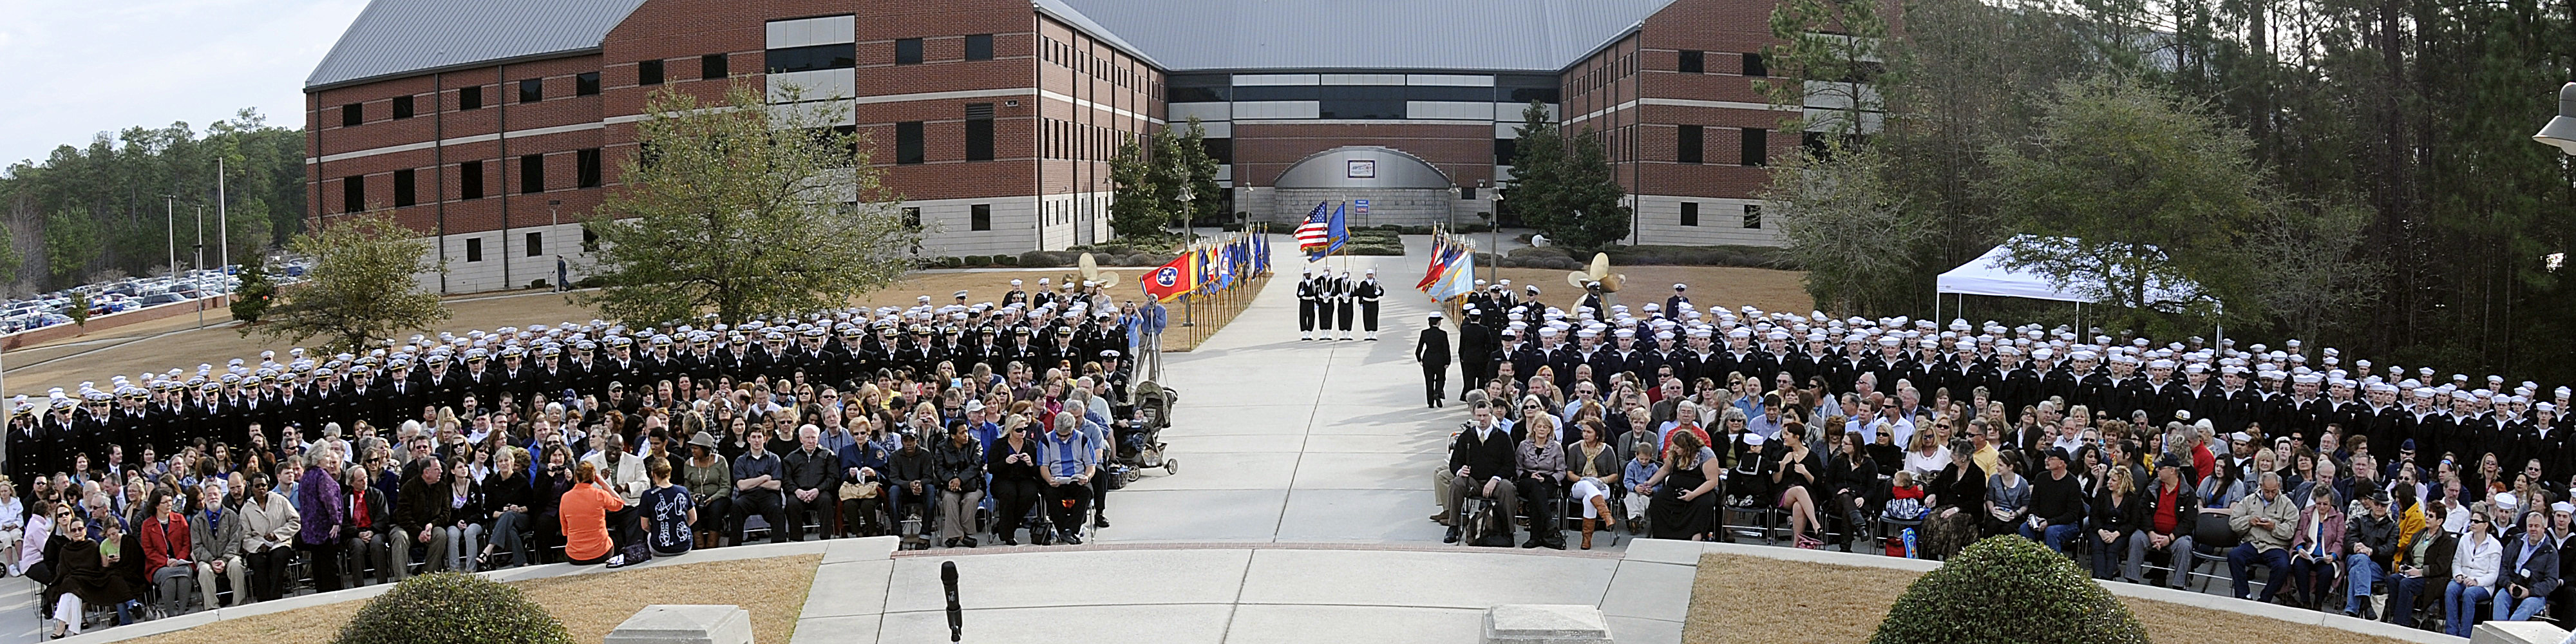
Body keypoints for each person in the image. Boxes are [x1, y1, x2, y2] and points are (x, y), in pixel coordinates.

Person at [44, 511, 132, 638]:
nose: (77, 532)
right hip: (75, 583)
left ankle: (62, 627)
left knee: (71, 586)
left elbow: (98, 567)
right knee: (71, 588)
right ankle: (72, 630)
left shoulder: (93, 546)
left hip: (92, 581)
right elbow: (64, 571)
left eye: (80, 529)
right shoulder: (66, 550)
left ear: (85, 530)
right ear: (70, 533)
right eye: (74, 530)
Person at [1445, 401, 1521, 544]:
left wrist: (1495, 479)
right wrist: (1460, 471)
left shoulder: (1503, 437)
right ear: (1473, 415)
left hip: (1495, 482)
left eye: (1485, 415)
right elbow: (1454, 462)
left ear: (1491, 415)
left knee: (1508, 488)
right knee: (1456, 484)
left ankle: (1509, 531)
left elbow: (1510, 465)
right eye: (1479, 416)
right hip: (1473, 480)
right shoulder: (1466, 437)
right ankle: (1453, 526)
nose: (1482, 419)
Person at [2126, 455, 2198, 587]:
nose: (2157, 470)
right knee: (2136, 539)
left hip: (2175, 536)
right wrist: (2151, 533)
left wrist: (2170, 538)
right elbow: (2143, 511)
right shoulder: (2152, 488)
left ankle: (2179, 585)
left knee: (2185, 546)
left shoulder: (2188, 493)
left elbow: (2189, 522)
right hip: (2152, 533)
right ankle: (2132, 581)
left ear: (2172, 471)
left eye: (2161, 468)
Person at [2226, 472, 2298, 603]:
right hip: (2253, 543)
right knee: (2234, 556)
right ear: (2261, 486)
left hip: (2276, 546)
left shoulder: (2288, 505)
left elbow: (2291, 531)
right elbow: (2233, 523)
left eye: (2274, 491)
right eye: (2267, 491)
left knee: (2283, 565)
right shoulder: (2249, 500)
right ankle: (2244, 596)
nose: (2270, 495)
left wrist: (2274, 527)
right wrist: (2249, 521)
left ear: (2279, 487)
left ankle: (2265, 598)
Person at [2389, 499, 2457, 629]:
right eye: (2426, 514)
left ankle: (2401, 624)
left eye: (2431, 516)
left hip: (2432, 579)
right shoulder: (2420, 534)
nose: (2427, 518)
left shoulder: (2446, 541)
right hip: (2412, 573)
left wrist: (2420, 572)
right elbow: (2408, 555)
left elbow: (2441, 567)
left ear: (2440, 521)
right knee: (2393, 580)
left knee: (2406, 584)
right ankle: (2395, 616)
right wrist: (2405, 565)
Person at [1645, 430, 1722, 541]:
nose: (1675, 450)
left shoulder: (1706, 455)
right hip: (1676, 486)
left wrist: (1693, 495)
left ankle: (1696, 535)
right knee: (1658, 500)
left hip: (1701, 489)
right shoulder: (1675, 453)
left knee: (1704, 504)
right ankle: (1662, 535)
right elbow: (1665, 470)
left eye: (1678, 448)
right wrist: (1649, 483)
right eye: (1674, 447)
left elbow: (1712, 481)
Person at [1036, 411, 1099, 545]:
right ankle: (1066, 531)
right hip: (1056, 479)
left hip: (1077, 479)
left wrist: (1087, 477)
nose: (1063, 438)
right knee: (1050, 494)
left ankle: (1069, 530)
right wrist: (1049, 479)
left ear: (1072, 430)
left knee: (1087, 492)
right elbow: (1044, 467)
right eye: (1059, 435)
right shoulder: (1045, 441)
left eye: (1066, 435)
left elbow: (1091, 465)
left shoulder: (1083, 439)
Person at [236, 473, 299, 602]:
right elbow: (244, 536)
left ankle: (275, 599)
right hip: (257, 546)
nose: (261, 489)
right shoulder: (246, 510)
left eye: (263, 485)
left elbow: (295, 521)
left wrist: (277, 534)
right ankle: (263, 601)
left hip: (280, 542)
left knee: (278, 558)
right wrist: (258, 546)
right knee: (259, 563)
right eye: (257, 486)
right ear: (252, 489)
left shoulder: (280, 501)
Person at [2445, 504, 2505, 637]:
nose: (2473, 523)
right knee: (2450, 590)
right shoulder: (2465, 539)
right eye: (2472, 521)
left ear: (2485, 525)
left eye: (2477, 522)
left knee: (2469, 594)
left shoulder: (2495, 546)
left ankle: (2465, 635)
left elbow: (2493, 575)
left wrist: (2476, 581)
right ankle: (2451, 631)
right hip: (2463, 577)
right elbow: (2456, 562)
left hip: (2483, 585)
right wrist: (2458, 575)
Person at [2492, 509, 2559, 623]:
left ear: (2543, 528)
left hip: (2535, 594)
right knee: (2500, 598)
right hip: (2512, 587)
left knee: (2527, 606)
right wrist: (2509, 584)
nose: (2533, 529)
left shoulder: (2551, 552)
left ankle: (2507, 636)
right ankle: (2499, 634)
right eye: (2530, 526)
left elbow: (2552, 581)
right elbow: (2503, 566)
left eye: (2537, 526)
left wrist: (2530, 592)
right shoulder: (2516, 541)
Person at [1922, 439, 1986, 560]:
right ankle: (1929, 557)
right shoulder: (1951, 468)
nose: (1951, 456)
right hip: (1946, 505)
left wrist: (1956, 509)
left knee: (1952, 522)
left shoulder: (1977, 474)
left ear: (1964, 457)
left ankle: (1950, 559)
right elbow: (1937, 483)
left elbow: (1976, 502)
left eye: (1954, 454)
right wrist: (1933, 494)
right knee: (1931, 519)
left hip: (1966, 510)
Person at [392, 456, 455, 578]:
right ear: (426, 472)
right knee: (399, 537)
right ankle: (401, 580)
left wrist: (432, 525)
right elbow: (402, 515)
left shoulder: (442, 488)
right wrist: (418, 532)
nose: (441, 472)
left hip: (430, 528)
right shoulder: (409, 487)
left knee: (441, 534)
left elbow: (446, 514)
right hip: (408, 528)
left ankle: (428, 575)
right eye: (437, 469)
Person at [987, 415, 1045, 545]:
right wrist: (1005, 462)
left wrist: (1030, 464)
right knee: (1009, 494)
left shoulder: (1030, 445)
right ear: (1011, 430)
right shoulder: (999, 444)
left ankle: (1003, 526)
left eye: (1025, 429)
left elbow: (1037, 470)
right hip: (1003, 479)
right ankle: (1008, 535)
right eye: (1019, 430)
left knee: (1030, 493)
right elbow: (992, 468)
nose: (1023, 432)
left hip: (1025, 478)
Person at [136, 488, 195, 616]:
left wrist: (178, 559)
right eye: (165, 502)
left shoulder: (180, 519)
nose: (169, 504)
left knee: (185, 575)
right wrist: (166, 562)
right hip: (159, 565)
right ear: (157, 505)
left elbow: (187, 543)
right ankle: (171, 615)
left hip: (180, 562)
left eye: (170, 501)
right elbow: (148, 550)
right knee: (169, 578)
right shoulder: (147, 525)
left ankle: (181, 613)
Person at [295, 449, 347, 591]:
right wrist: (337, 522)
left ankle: (322, 595)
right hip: (325, 529)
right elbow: (330, 501)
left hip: (311, 529)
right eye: (326, 456)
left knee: (317, 566)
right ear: (318, 459)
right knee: (329, 567)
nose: (329, 459)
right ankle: (334, 597)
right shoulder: (322, 477)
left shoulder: (306, 476)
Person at [2286, 484, 2345, 608]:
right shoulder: (2306, 513)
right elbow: (2299, 532)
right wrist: (2300, 548)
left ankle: (2318, 603)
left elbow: (2340, 540)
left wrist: (2333, 555)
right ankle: (2305, 601)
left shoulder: (2339, 517)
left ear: (2331, 503)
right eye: (2319, 504)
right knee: (2299, 565)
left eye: (2325, 504)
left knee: (2327, 572)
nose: (2322, 507)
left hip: (2326, 555)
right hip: (2308, 552)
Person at [1567, 419, 1624, 549]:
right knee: (1587, 485)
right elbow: (1569, 473)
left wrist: (1601, 480)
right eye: (1584, 432)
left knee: (1589, 499)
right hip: (1579, 484)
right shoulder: (1576, 448)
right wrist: (1584, 479)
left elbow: (1615, 475)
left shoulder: (1608, 450)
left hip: (1601, 485)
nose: (1585, 435)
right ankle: (1606, 515)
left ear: (1597, 434)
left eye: (1589, 432)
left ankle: (1586, 540)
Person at [2343, 491, 2399, 619]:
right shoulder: (2359, 520)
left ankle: (2352, 610)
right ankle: (2367, 604)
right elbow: (2348, 540)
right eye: (2377, 504)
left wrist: (2371, 551)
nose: (2380, 507)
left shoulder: (2393, 527)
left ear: (2387, 507)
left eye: (2383, 505)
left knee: (2356, 571)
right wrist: (2356, 546)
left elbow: (2390, 549)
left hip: (2377, 566)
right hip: (2355, 557)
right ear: (2372, 504)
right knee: (2362, 560)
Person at [1515, 415, 1567, 549]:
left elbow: (1561, 471)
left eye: (1545, 427)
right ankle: (1549, 522)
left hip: (1548, 481)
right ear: (1534, 428)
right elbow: (1517, 468)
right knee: (1534, 486)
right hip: (1526, 480)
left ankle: (1535, 538)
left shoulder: (1556, 447)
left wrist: (1546, 479)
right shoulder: (1523, 445)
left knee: (1536, 494)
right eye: (1539, 426)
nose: (1542, 429)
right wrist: (1530, 475)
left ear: (1550, 430)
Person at [560, 461, 628, 565]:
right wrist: (604, 483)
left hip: (575, 555)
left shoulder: (566, 498)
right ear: (593, 478)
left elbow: (565, 531)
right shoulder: (600, 495)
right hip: (601, 552)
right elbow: (619, 504)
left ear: (576, 477)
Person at [187, 485, 245, 609]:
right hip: (208, 560)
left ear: (221, 496)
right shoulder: (197, 521)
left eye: (215, 494)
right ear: (204, 498)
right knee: (204, 571)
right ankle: (212, 607)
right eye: (209, 495)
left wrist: (224, 560)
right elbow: (197, 546)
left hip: (229, 557)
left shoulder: (232, 516)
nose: (213, 497)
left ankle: (239, 605)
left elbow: (235, 541)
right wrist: (211, 561)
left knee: (236, 566)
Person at [781, 424, 840, 542]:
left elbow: (833, 477)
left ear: (818, 438)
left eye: (813, 437)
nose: (811, 441)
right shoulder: (791, 458)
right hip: (799, 493)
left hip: (820, 492)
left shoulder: (828, 455)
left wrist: (817, 490)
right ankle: (796, 540)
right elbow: (786, 480)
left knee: (826, 500)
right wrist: (797, 491)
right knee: (792, 503)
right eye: (807, 438)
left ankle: (825, 538)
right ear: (801, 439)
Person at [728, 428, 788, 545]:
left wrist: (751, 482)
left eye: (760, 437)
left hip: (769, 495)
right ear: (748, 439)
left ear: (765, 439)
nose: (757, 440)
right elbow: (742, 486)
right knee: (736, 507)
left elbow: (776, 485)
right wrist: (764, 478)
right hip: (748, 496)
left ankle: (779, 546)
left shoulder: (774, 459)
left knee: (777, 509)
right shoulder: (741, 461)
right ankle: (734, 547)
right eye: (754, 437)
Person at [934, 422, 987, 548]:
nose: (966, 435)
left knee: (971, 500)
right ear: (953, 436)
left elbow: (976, 465)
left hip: (973, 484)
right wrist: (952, 479)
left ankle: (956, 536)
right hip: (950, 486)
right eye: (962, 433)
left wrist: (960, 479)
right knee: (949, 499)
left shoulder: (975, 444)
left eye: (966, 432)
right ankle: (963, 537)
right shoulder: (942, 447)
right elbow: (939, 469)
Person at [483, 447, 536, 567]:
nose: (504, 464)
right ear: (497, 464)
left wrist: (519, 509)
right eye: (501, 461)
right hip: (500, 520)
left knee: (510, 515)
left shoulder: (521, 480)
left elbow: (531, 505)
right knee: (511, 529)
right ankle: (522, 562)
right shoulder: (491, 483)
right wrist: (502, 513)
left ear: (512, 462)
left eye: (507, 460)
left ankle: (489, 549)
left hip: (522, 518)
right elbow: (489, 511)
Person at [679, 432, 733, 549]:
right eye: (692, 448)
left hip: (718, 497)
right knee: (691, 508)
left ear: (705, 449)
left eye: (696, 448)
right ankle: (700, 546)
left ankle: (711, 546)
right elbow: (687, 488)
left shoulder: (720, 461)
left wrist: (713, 498)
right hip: (697, 498)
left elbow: (726, 486)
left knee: (716, 509)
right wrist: (693, 496)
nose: (692, 451)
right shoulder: (689, 464)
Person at [2088, 464, 2142, 580]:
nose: (2109, 482)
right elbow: (2094, 516)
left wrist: (2116, 534)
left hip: (2120, 531)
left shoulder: (2132, 498)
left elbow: (2133, 522)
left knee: (2112, 550)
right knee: (2098, 547)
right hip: (2101, 528)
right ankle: (2098, 577)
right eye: (2109, 479)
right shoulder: (2103, 493)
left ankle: (2107, 579)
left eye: (2113, 480)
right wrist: (2101, 532)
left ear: (2122, 482)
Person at [342, 464, 393, 583]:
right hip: (356, 534)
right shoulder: (345, 499)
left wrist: (372, 530)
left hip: (375, 531)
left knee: (377, 543)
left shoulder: (377, 494)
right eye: (360, 480)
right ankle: (359, 585)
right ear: (352, 482)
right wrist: (358, 533)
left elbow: (384, 517)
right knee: (357, 546)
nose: (364, 482)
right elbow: (343, 523)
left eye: (365, 478)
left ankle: (382, 582)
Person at [643, 456, 695, 556]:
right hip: (684, 545)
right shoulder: (683, 491)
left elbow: (645, 525)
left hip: (660, 548)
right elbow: (693, 518)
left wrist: (655, 530)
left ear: (653, 474)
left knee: (650, 537)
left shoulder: (648, 495)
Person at [1416, 312, 1452, 408]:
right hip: (1440, 359)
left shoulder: (1425, 333)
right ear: (1439, 322)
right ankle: (1438, 391)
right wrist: (1448, 361)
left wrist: (1419, 358)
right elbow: (1446, 348)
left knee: (1429, 381)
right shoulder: (1443, 334)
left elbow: (1419, 348)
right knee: (1441, 378)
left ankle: (1430, 403)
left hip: (1428, 359)